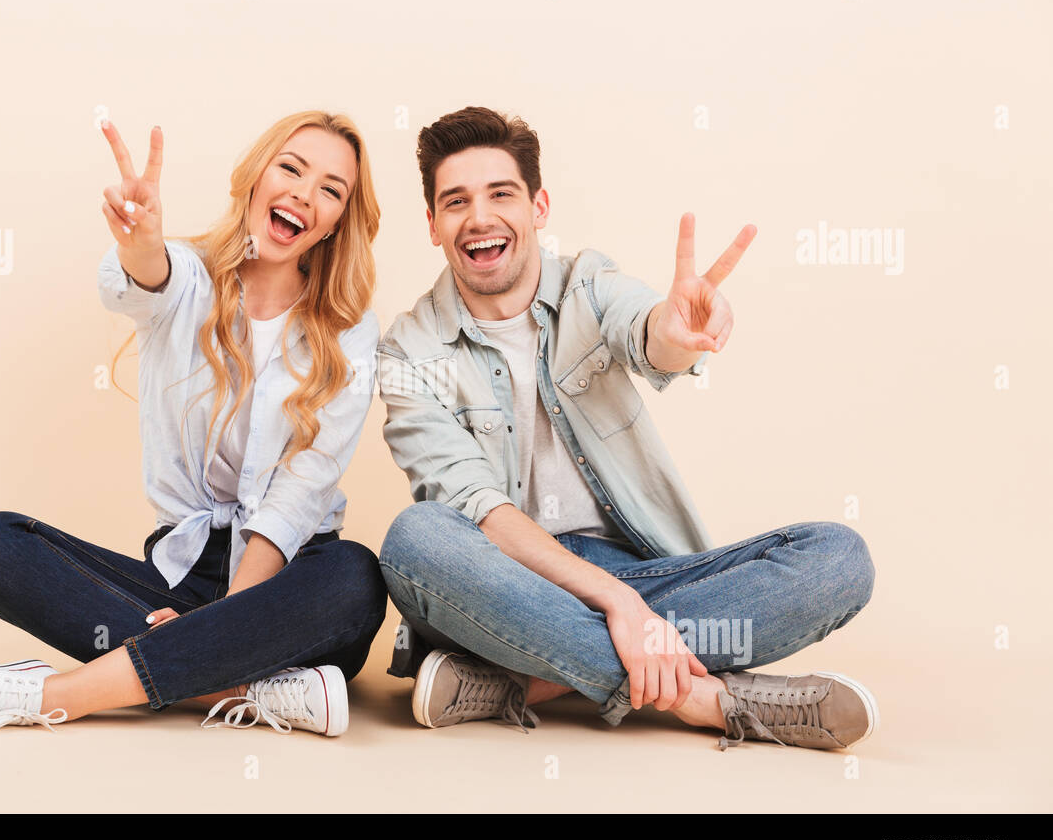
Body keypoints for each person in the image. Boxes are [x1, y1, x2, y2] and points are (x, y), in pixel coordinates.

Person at [376, 106, 878, 750]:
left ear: (539, 206)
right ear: (432, 224)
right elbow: (478, 512)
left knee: (837, 559)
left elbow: (647, 332)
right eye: (455, 201)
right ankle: (710, 699)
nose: (479, 217)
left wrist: (673, 336)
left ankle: (526, 683)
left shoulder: (589, 283)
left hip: (641, 575)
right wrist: (620, 608)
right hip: (496, 588)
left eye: (501, 193)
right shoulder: (406, 353)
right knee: (415, 539)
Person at [0, 111, 387, 737]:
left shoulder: (351, 331)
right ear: (254, 178)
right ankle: (250, 691)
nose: (303, 193)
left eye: (330, 189)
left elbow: (301, 494)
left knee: (357, 575)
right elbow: (141, 279)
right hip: (181, 574)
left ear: (337, 222)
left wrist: (229, 623)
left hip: (286, 585)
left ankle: (52, 695)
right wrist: (139, 243)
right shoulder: (185, 276)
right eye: (291, 169)